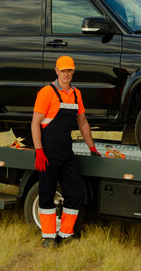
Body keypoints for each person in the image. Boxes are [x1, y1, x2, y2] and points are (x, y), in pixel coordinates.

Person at [31, 55, 100, 247]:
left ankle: (66, 233)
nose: (66, 74)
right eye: (63, 71)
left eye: (69, 70)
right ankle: (48, 236)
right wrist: (39, 151)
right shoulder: (46, 92)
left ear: (73, 71)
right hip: (48, 152)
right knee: (47, 193)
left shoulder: (76, 94)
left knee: (75, 192)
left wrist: (92, 147)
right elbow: (35, 123)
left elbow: (83, 122)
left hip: (66, 153)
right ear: (56, 71)